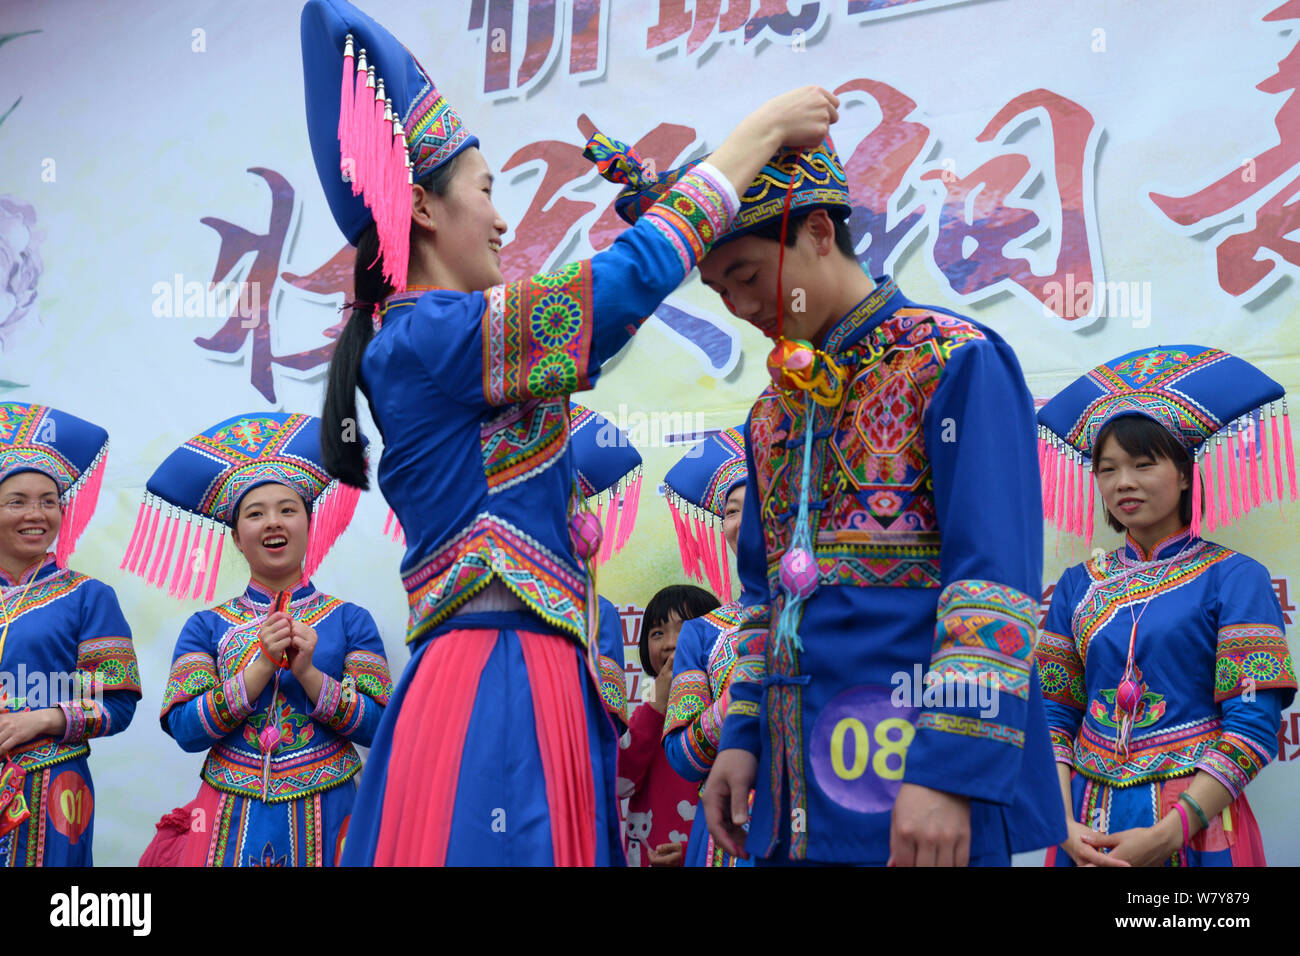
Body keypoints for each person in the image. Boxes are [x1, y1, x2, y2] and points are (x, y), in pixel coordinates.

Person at [299, 0, 839, 865]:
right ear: (425, 212)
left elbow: (621, 287)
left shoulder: (435, 342)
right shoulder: (431, 335)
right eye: (485, 192)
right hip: (498, 673)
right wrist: (760, 132)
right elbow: (616, 292)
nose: (504, 221)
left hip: (526, 664)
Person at [587, 129, 1066, 866]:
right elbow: (760, 599)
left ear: (817, 231)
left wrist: (948, 771)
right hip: (794, 794)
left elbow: (992, 585)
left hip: (917, 783)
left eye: (747, 275)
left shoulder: (952, 361)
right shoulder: (773, 414)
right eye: (719, 292)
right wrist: (741, 736)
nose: (740, 307)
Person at [1036, 345, 1297, 866]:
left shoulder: (1234, 578)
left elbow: (1251, 726)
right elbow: (1052, 714)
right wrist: (1059, 821)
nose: (1122, 482)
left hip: (1195, 825)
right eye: (1107, 469)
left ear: (1183, 474)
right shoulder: (1077, 586)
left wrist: (1170, 833)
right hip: (1083, 824)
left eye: (1143, 464)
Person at [127, 412, 392, 867]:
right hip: (228, 812)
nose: (273, 523)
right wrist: (261, 668)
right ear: (236, 538)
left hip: (331, 810)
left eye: (288, 510)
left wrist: (308, 674)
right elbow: (186, 731)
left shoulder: (350, 620)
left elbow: (380, 727)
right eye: (255, 513)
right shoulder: (207, 625)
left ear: (309, 524)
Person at [0, 401, 140, 866]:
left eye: (48, 501)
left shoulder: (88, 597)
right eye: (17, 501)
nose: (35, 514)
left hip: (52, 789)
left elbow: (117, 704)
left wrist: (38, 719)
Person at [660, 426, 756, 866]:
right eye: (731, 511)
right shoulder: (704, 633)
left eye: (756, 504)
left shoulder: (825, 615)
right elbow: (681, 757)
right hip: (725, 839)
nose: (742, 521)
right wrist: (737, 701)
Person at [618, 584, 718, 867]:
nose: (671, 643)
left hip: (705, 855)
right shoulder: (649, 700)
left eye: (686, 629)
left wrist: (691, 855)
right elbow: (620, 780)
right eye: (657, 633)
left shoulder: (724, 706)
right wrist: (657, 702)